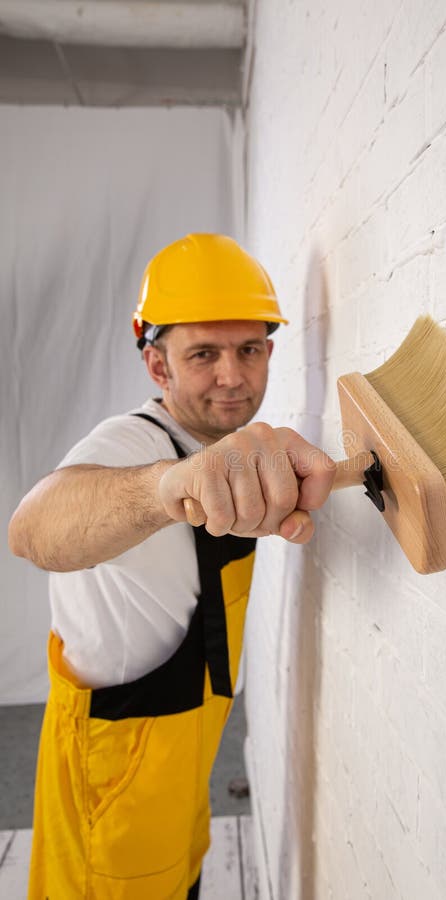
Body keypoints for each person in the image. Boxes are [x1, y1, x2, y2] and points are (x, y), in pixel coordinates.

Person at [8, 233, 335, 899]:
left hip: (183, 764)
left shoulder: (223, 445)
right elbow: (32, 529)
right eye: (203, 354)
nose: (232, 376)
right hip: (113, 775)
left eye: (249, 350)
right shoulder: (132, 443)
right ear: (158, 367)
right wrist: (161, 488)